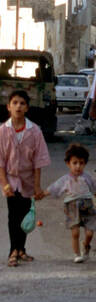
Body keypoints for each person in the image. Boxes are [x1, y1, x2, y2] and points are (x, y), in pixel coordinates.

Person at [0, 89, 50, 267]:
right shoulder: (3, 131)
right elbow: (0, 161)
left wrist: (37, 186)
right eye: (15, 103)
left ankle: (21, 249)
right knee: (13, 216)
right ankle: (13, 251)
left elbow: (38, 161)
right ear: (8, 107)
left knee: (25, 216)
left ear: (27, 108)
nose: (18, 106)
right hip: (12, 181)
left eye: (22, 103)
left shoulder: (34, 131)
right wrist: (4, 183)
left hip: (28, 181)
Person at [40, 142, 96, 264]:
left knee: (89, 233)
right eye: (75, 163)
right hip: (71, 207)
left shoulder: (87, 177)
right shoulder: (65, 179)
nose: (78, 166)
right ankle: (77, 254)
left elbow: (95, 189)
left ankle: (86, 244)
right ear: (68, 163)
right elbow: (54, 188)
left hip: (87, 206)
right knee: (75, 233)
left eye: (81, 163)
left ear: (85, 163)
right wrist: (42, 194)